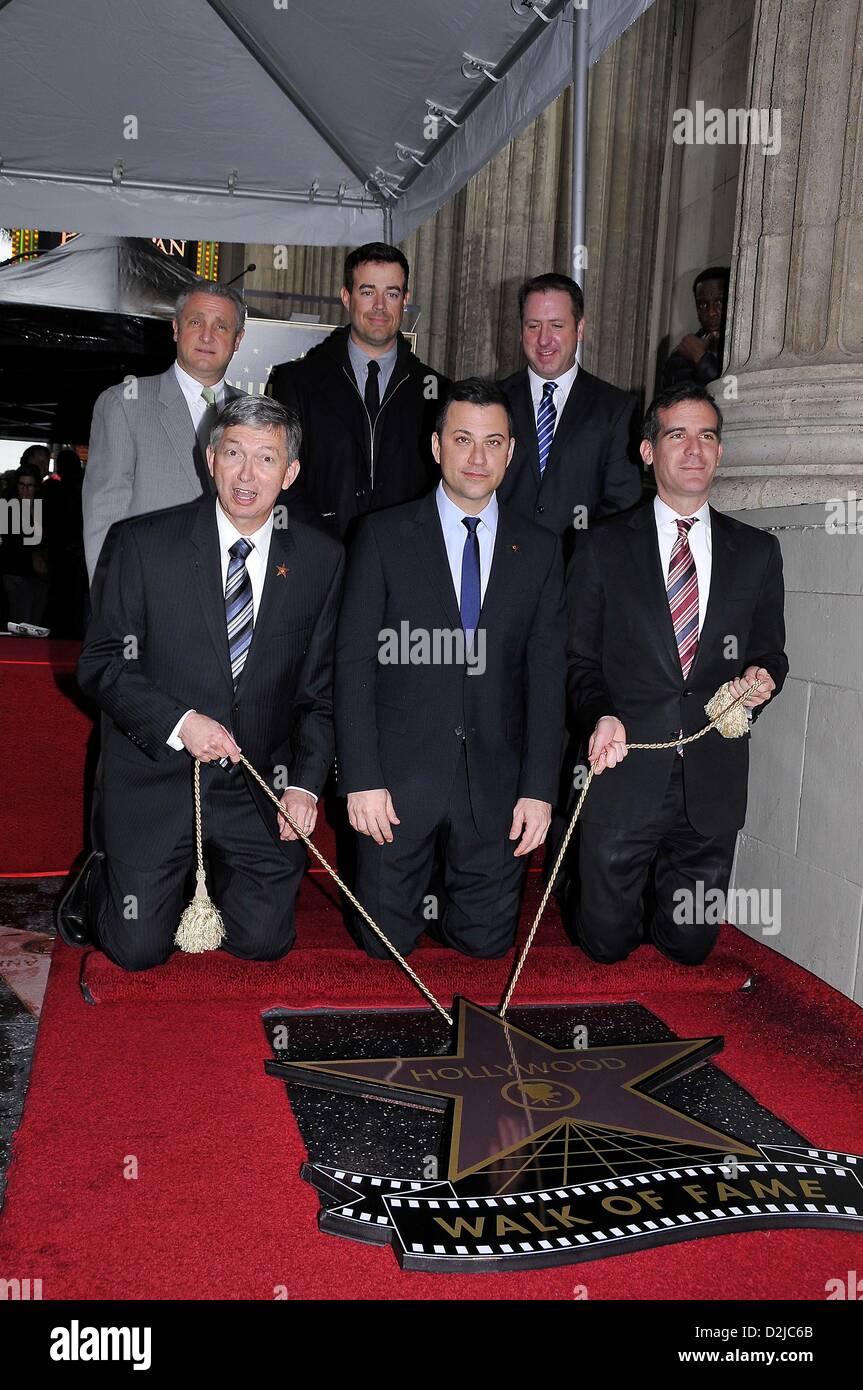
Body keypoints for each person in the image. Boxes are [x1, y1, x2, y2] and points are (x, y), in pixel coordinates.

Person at [74, 395, 344, 971]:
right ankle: (104, 876)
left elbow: (319, 695)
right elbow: (101, 662)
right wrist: (180, 723)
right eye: (234, 454)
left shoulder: (322, 561)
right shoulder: (141, 544)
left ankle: (215, 879)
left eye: (266, 459)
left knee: (264, 942)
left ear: (290, 472)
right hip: (158, 778)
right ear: (210, 457)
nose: (248, 475)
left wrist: (304, 787)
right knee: (138, 948)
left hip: (256, 784)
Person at [334, 378, 566, 960]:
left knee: (485, 948)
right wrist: (360, 776)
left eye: (493, 442)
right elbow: (353, 662)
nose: (478, 457)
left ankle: (448, 891)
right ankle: (413, 890)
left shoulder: (539, 550)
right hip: (397, 780)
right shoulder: (382, 536)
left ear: (513, 452)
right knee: (384, 946)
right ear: (437, 446)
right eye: (463, 439)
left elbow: (546, 678)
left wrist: (539, 790)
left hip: (494, 782)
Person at [565, 384, 788, 965]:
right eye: (677, 435)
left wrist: (763, 679)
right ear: (647, 450)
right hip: (625, 766)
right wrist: (599, 714)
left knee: (690, 948)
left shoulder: (758, 552)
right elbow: (577, 658)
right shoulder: (601, 547)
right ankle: (584, 887)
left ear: (720, 451)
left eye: (707, 436)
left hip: (711, 776)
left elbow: (772, 653)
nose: (694, 449)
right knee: (605, 945)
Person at [268, 242, 449, 543]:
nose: (380, 306)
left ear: (405, 300)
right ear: (346, 296)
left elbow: (443, 486)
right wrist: (321, 551)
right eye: (367, 292)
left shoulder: (438, 391)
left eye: (391, 293)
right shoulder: (297, 382)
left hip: (404, 564)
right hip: (319, 561)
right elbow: (277, 475)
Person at [82, 281, 247, 580]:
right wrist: (112, 609)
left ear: (238, 340)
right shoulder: (124, 404)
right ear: (176, 329)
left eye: (221, 326)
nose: (207, 335)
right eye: (196, 322)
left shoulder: (255, 415)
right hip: (153, 595)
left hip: (234, 596)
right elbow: (104, 518)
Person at [498, 272, 642, 563]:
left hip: (577, 574)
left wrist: (581, 561)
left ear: (580, 328)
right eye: (533, 325)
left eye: (557, 325)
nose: (544, 339)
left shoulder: (616, 408)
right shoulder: (493, 401)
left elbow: (621, 505)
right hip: (499, 568)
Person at [661, 267, 730, 390]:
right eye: (703, 305)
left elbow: (734, 395)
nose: (711, 312)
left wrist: (701, 358)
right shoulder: (681, 355)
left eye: (719, 302)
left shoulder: (746, 351)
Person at [0, 462, 48, 625]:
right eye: (22, 485)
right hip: (17, 574)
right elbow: (12, 542)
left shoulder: (41, 506)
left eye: (29, 486)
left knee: (31, 621)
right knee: (23, 622)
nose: (25, 490)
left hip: (36, 576)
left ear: (36, 487)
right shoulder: (8, 506)